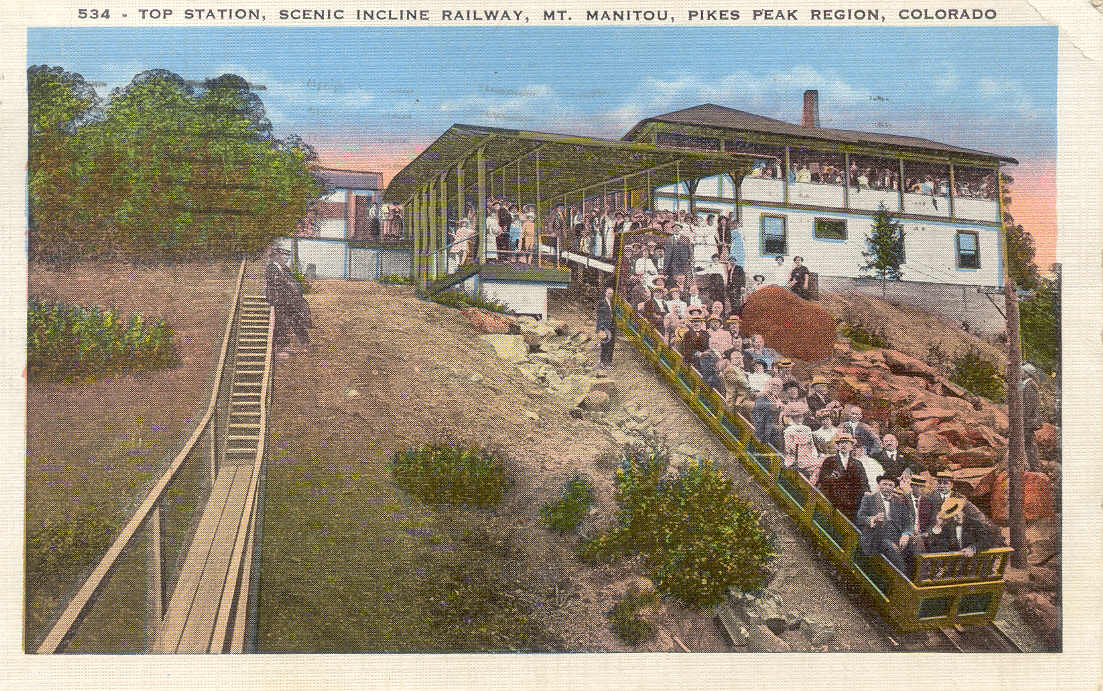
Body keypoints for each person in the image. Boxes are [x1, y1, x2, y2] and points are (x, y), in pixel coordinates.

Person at [856, 475, 915, 574]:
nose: (887, 487)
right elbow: (860, 517)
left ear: (894, 487)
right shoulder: (869, 498)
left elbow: (908, 522)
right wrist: (872, 519)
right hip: (876, 536)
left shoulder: (899, 501)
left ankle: (915, 575)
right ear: (879, 485)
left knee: (914, 544)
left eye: (890, 485)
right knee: (890, 548)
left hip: (896, 536)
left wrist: (906, 534)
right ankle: (902, 579)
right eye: (884, 484)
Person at [264, 244, 313, 360]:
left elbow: (293, 283)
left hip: (288, 301)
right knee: (281, 324)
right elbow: (278, 285)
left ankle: (303, 343)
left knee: (295, 321)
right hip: (278, 301)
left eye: (287, 256)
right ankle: (280, 349)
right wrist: (292, 289)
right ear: (276, 256)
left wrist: (297, 288)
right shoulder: (271, 268)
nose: (286, 258)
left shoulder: (285, 269)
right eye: (283, 256)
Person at [926, 496, 1004, 558]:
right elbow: (937, 545)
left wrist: (973, 548)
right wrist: (938, 525)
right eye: (953, 515)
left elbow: (986, 540)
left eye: (957, 513)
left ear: (962, 511)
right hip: (955, 567)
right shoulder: (948, 527)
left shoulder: (975, 524)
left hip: (975, 564)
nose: (956, 517)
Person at [816, 432, 869, 520]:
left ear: (851, 447)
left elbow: (863, 482)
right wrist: (831, 478)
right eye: (841, 443)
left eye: (847, 443)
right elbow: (822, 479)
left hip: (851, 503)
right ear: (837, 446)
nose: (844, 445)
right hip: (833, 501)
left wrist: (863, 494)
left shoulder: (857, 464)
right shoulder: (829, 461)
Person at [782, 402, 820, 482]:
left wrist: (813, 456)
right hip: (795, 459)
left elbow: (812, 445)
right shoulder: (789, 431)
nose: (800, 419)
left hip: (807, 457)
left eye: (801, 416)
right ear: (792, 418)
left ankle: (813, 484)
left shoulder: (807, 429)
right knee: (816, 466)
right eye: (797, 417)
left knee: (820, 465)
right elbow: (790, 448)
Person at [1021, 362, 1042, 470]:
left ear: (1027, 373)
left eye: (1022, 371)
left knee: (1029, 445)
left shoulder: (1029, 386)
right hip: (1027, 421)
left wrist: (1022, 420)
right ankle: (1032, 467)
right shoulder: (1026, 384)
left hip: (1028, 422)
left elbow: (1028, 406)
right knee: (1027, 445)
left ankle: (1034, 468)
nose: (1020, 372)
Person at [596, 286, 616, 369]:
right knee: (605, 345)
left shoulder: (611, 302)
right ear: (605, 293)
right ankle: (603, 362)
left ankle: (608, 361)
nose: (611, 295)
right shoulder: (602, 302)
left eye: (612, 293)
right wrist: (601, 329)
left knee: (611, 345)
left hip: (611, 326)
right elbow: (600, 317)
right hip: (605, 327)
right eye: (609, 293)